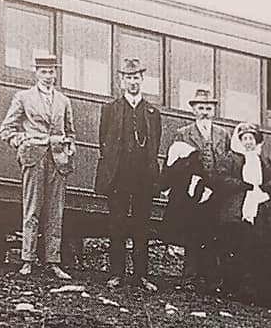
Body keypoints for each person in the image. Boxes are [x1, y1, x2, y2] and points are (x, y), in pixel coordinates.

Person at [0, 55, 75, 279]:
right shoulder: (23, 97)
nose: (49, 76)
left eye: (52, 72)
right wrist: (21, 141)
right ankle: (27, 260)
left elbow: (70, 132)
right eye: (44, 72)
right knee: (32, 209)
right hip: (34, 157)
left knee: (55, 212)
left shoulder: (63, 101)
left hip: (58, 160)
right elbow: (6, 129)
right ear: (36, 73)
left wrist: (69, 149)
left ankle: (53, 261)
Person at [96, 58, 164, 290]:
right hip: (118, 177)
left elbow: (155, 144)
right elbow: (104, 143)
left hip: (143, 178)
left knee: (142, 226)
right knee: (117, 224)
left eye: (136, 78)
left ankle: (141, 276)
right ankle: (116, 274)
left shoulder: (153, 112)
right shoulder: (109, 109)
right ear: (121, 81)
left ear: (142, 80)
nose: (132, 82)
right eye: (128, 78)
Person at [215, 123, 271, 307]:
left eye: (251, 139)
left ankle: (259, 292)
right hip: (237, 210)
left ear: (256, 141)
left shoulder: (263, 160)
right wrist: (241, 185)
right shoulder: (230, 158)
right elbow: (220, 178)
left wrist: (264, 189)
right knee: (237, 249)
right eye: (244, 138)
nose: (248, 142)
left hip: (261, 208)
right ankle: (235, 289)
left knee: (259, 249)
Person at [172, 89, 232, 289]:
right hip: (193, 191)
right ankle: (190, 277)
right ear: (193, 110)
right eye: (200, 108)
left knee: (213, 234)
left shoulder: (223, 134)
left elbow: (228, 162)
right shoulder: (183, 133)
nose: (205, 112)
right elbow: (176, 163)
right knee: (192, 234)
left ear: (214, 110)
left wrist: (218, 186)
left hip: (216, 192)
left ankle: (212, 279)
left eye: (208, 108)